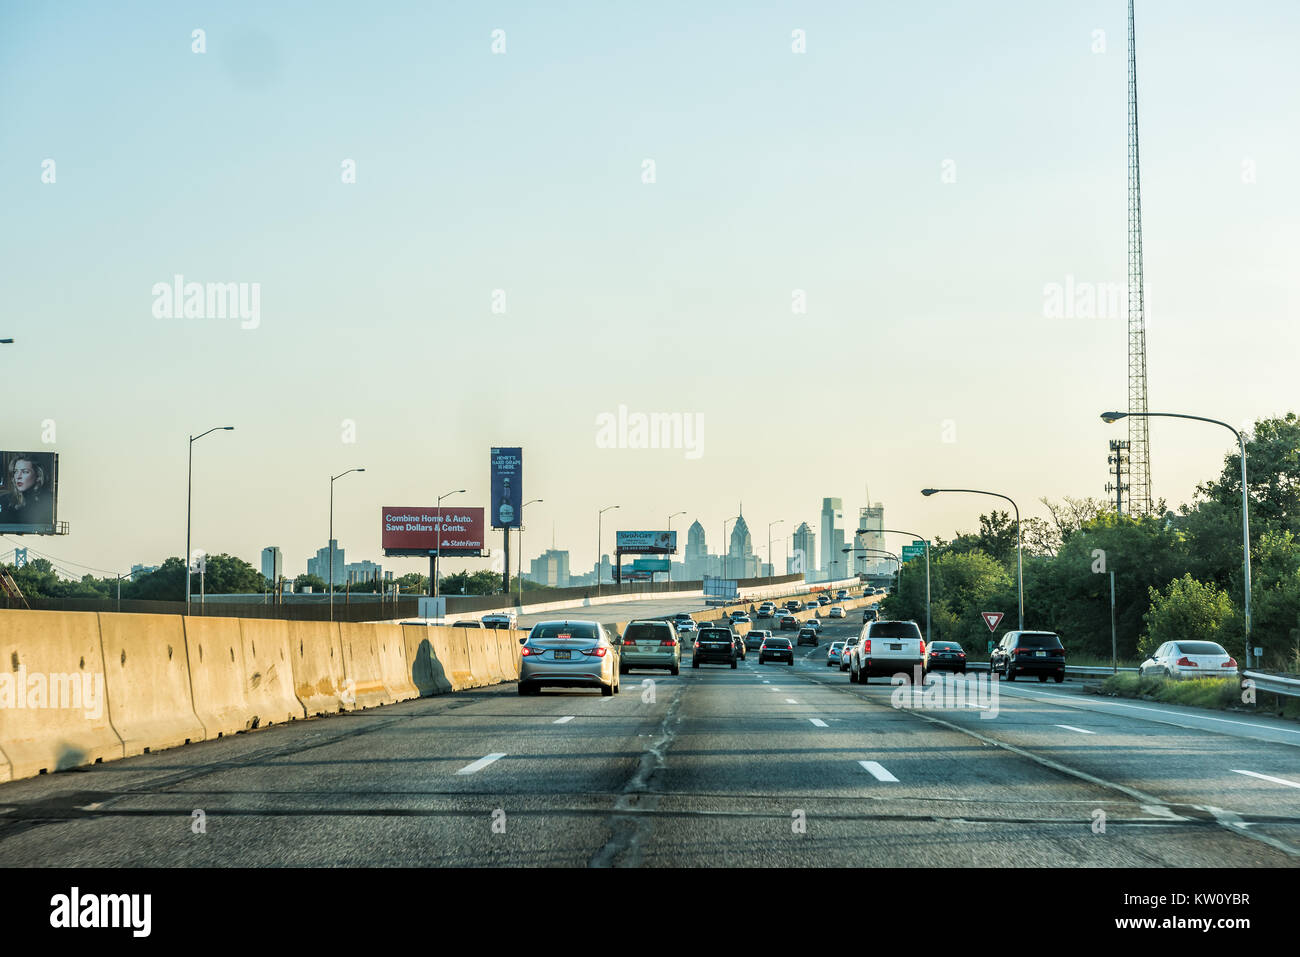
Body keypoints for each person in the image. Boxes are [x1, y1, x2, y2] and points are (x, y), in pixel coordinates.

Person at [1, 454, 54, 527]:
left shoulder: (49, 500)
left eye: (25, 472)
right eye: (16, 471)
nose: (18, 476)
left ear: (38, 476)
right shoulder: (5, 500)